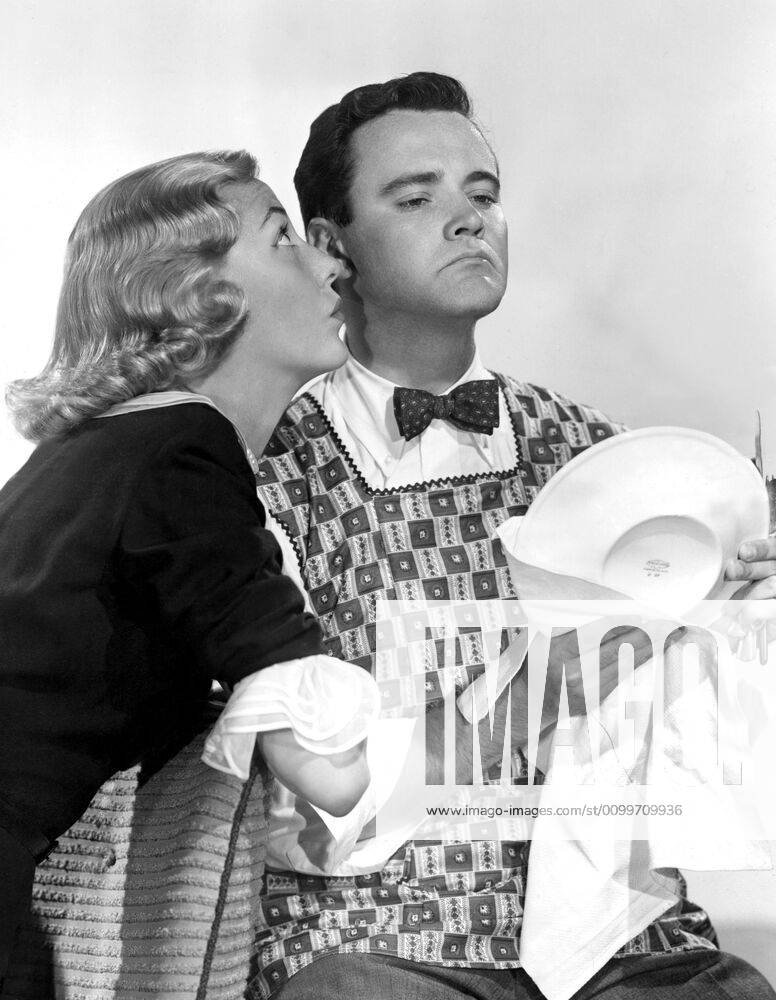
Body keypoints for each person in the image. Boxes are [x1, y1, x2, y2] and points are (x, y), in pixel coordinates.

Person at [246, 73, 776, 999]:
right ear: (330, 248)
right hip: (375, 946)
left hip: (625, 945)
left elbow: (698, 751)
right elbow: (286, 807)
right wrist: (529, 696)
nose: (469, 220)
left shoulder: (604, 453)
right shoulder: (267, 472)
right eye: (418, 199)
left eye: (484, 194)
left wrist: (743, 619)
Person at [0, 149, 380, 986]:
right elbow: (326, 771)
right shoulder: (184, 449)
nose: (331, 266)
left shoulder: (89, 455)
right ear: (198, 294)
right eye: (283, 238)